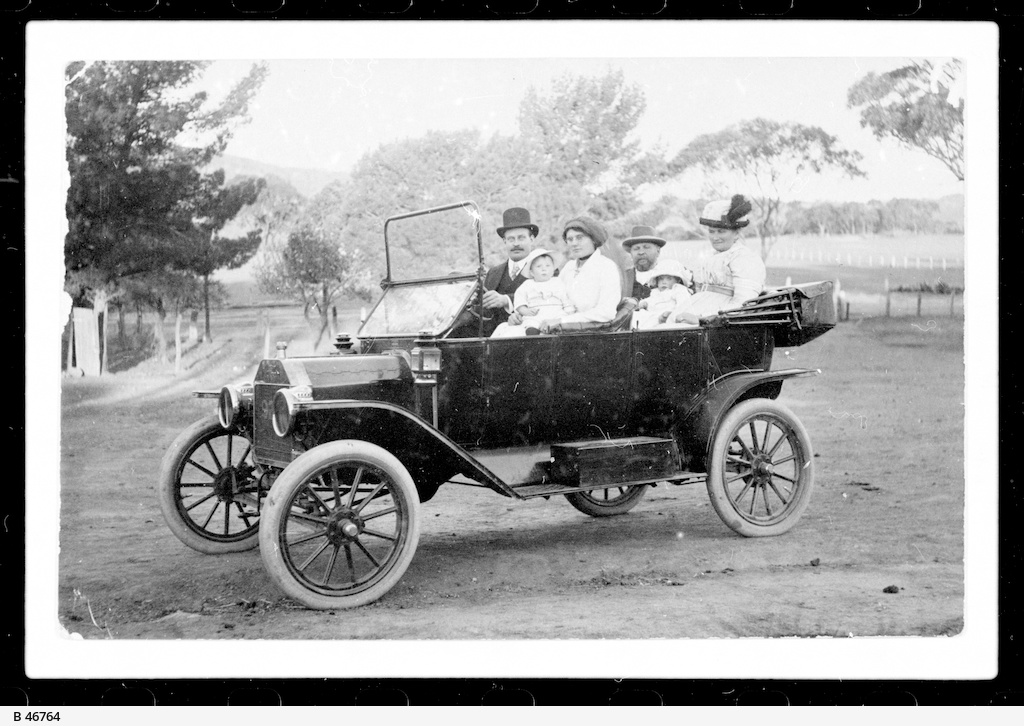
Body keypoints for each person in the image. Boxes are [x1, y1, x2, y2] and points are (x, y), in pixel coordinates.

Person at [663, 195, 766, 326]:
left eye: (721, 231)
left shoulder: (744, 258)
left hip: (721, 320)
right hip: (699, 309)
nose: (715, 237)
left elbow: (744, 304)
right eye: (712, 232)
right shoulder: (711, 256)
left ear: (737, 233)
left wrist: (702, 319)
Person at [536, 216, 622, 334]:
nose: (574, 243)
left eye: (579, 238)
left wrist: (563, 320)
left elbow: (606, 312)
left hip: (592, 334)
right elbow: (553, 297)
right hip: (561, 331)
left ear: (593, 239)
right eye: (570, 239)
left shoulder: (606, 267)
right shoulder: (569, 267)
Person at [479, 207, 540, 336]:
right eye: (511, 239)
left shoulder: (546, 268)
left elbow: (547, 300)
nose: (516, 244)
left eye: (521, 238)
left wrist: (506, 300)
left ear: (532, 239)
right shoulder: (493, 273)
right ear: (504, 241)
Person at [490, 249, 575, 337]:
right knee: (530, 321)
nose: (544, 269)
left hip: (555, 311)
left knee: (561, 319)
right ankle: (532, 332)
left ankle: (555, 330)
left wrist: (569, 311)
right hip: (535, 313)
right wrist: (525, 311)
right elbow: (519, 300)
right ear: (531, 272)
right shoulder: (528, 284)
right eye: (539, 266)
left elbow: (565, 298)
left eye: (548, 266)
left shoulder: (558, 282)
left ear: (553, 269)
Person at [632, 259, 692, 330]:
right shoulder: (656, 292)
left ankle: (666, 319)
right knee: (638, 315)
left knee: (663, 318)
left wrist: (674, 314)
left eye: (669, 279)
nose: (664, 282)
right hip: (653, 313)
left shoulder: (678, 289)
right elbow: (651, 300)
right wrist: (644, 303)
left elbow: (683, 304)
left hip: (668, 313)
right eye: (661, 279)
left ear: (678, 280)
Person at [620, 225, 666, 301]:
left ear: (658, 251)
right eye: (636, 248)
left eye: (646, 247)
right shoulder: (622, 278)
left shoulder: (671, 275)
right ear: (631, 253)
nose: (641, 252)